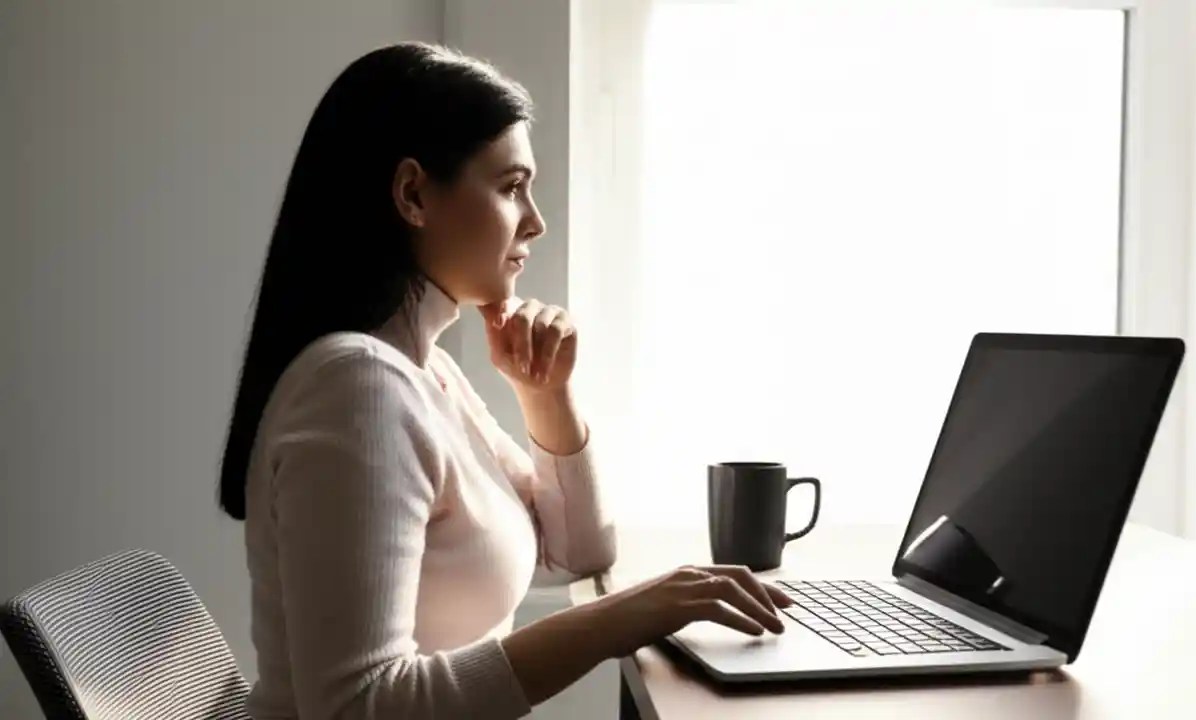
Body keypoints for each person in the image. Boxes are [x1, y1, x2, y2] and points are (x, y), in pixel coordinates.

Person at [217, 42, 793, 719]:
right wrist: (622, 618)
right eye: (511, 186)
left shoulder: (424, 373)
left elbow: (579, 550)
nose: (536, 221)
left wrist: (546, 394)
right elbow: (357, 710)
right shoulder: (358, 390)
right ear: (412, 195)